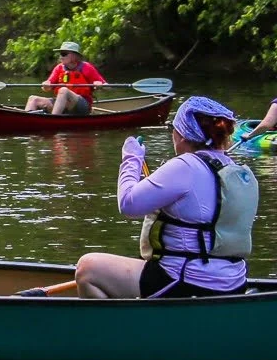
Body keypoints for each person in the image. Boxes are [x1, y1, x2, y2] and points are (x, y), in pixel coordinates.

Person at [75, 97, 257, 299]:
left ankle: (118, 329)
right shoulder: (240, 173)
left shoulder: (185, 165)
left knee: (87, 269)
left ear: (181, 135)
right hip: (234, 283)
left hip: (185, 281)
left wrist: (131, 158)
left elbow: (128, 204)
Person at [25, 41, 107, 116]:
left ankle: (53, 120)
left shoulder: (87, 67)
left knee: (63, 90)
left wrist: (100, 85)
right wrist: (46, 85)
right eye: (60, 54)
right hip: (62, 105)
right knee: (33, 99)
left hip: (82, 106)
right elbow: (47, 87)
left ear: (74, 56)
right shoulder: (59, 68)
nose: (60, 57)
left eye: (63, 54)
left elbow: (107, 86)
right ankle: (26, 120)